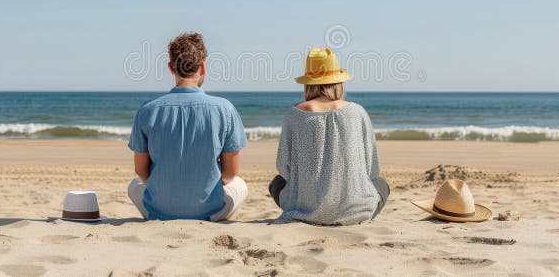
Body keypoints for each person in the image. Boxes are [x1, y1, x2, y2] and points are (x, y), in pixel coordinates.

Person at [127, 32, 248, 221]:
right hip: (209, 213)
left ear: (170, 67)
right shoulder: (224, 108)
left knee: (134, 185)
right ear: (203, 66)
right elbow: (230, 172)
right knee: (240, 184)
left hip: (159, 212)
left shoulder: (147, 110)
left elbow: (141, 171)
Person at [269, 47, 389, 225]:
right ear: (338, 82)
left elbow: (284, 167)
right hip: (356, 212)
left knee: (276, 183)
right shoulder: (357, 112)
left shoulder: (293, 115)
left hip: (305, 211)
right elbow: (372, 168)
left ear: (308, 83)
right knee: (382, 184)